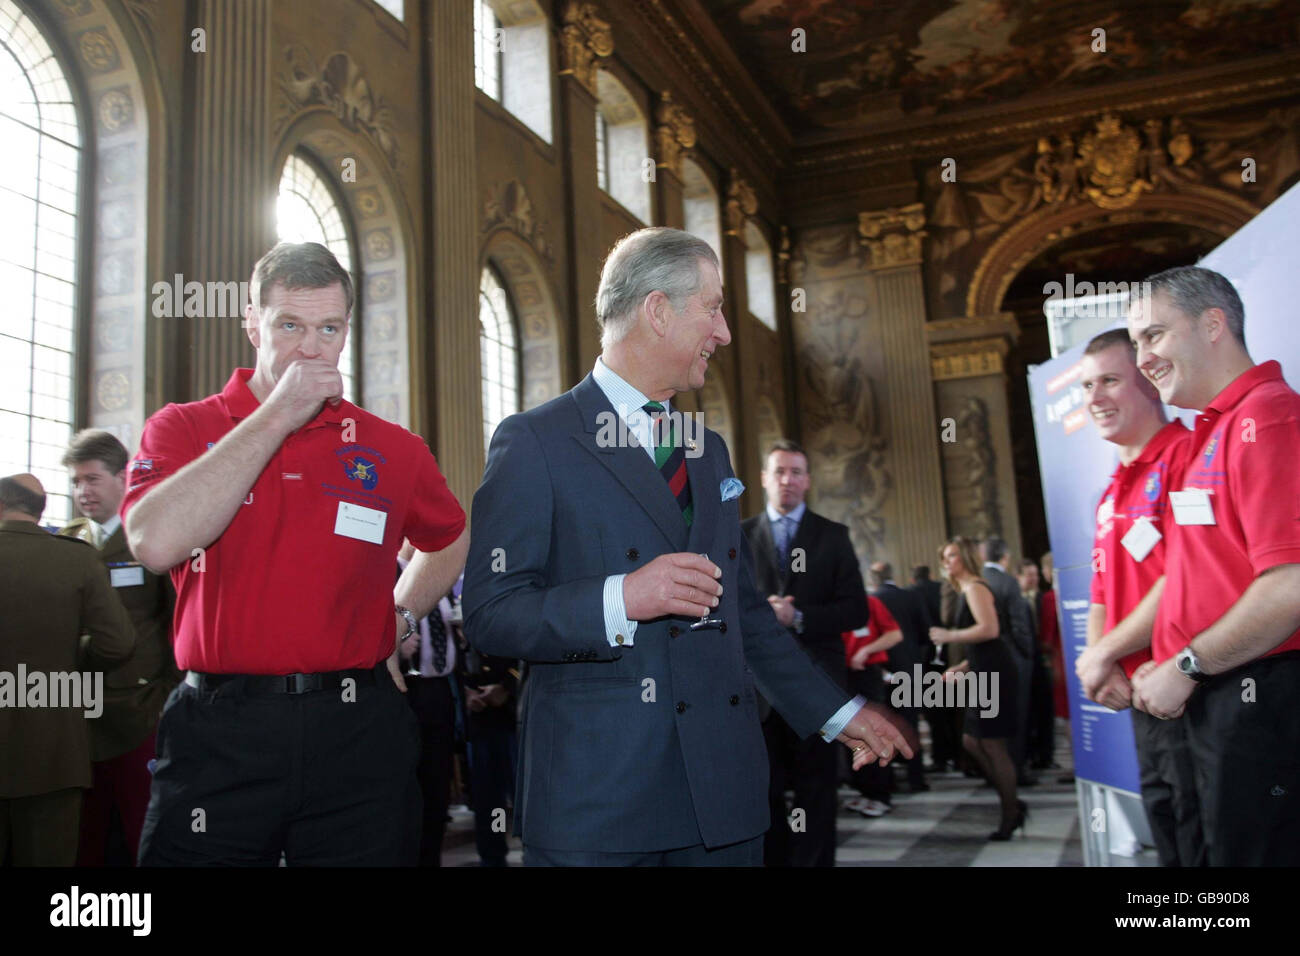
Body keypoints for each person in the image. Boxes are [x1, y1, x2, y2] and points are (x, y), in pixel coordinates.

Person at [462, 227, 910, 867]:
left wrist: (836, 714)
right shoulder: (536, 441)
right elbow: (490, 614)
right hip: (600, 804)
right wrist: (622, 598)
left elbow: (745, 615)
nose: (724, 332)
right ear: (657, 309)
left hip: (721, 800)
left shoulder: (708, 449)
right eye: (713, 307)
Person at [122, 241, 469, 866]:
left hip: (356, 725)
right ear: (252, 323)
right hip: (221, 728)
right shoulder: (184, 427)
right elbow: (155, 542)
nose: (310, 347)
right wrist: (277, 415)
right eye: (289, 325)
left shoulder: (392, 447)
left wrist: (401, 615)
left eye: (328, 328)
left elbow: (449, 538)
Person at [1089, 266, 1300, 865]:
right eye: (1136, 342)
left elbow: (1291, 586)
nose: (1144, 358)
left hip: (1258, 692)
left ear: (1214, 325)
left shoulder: (1269, 416)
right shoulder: (1221, 429)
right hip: (1216, 695)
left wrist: (1185, 663)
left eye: (1153, 336)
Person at [1072, 328, 1203, 866]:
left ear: (1150, 382)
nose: (1094, 398)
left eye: (1109, 380)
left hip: (1191, 687)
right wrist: (1096, 662)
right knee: (1167, 825)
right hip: (1138, 697)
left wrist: (1102, 655)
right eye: (1085, 386)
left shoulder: (1187, 456)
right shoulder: (1112, 487)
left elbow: (1187, 574)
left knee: (1203, 839)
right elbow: (1101, 590)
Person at [741, 439, 869, 866]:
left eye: (796, 472)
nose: (787, 480)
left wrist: (797, 617)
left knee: (817, 787)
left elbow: (856, 609)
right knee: (764, 789)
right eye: (779, 471)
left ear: (808, 481)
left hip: (819, 685)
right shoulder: (739, 535)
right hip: (758, 689)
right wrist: (766, 614)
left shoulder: (834, 536)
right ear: (763, 478)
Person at [58, 429, 181, 866]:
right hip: (76, 709)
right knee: (80, 831)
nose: (81, 492)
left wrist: (168, 693)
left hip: (138, 706)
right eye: (75, 482)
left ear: (122, 477)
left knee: (141, 825)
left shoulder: (145, 538)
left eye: (91, 479)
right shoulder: (67, 541)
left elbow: (174, 618)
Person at [0, 474, 133, 865]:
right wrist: (72, 661)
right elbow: (118, 643)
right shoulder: (76, 558)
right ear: (40, 512)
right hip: (53, 748)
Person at [930, 536, 1024, 839]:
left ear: (967, 558)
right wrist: (962, 667)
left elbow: (990, 630)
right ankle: (1010, 800)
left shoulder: (976, 587)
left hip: (994, 673)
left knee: (992, 744)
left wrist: (949, 636)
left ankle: (1011, 811)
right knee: (972, 742)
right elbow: (985, 643)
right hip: (983, 670)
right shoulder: (967, 590)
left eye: (953, 556)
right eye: (945, 557)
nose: (947, 562)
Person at [396, 543, 459, 867]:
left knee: (437, 788)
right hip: (406, 692)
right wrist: (394, 645)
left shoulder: (441, 578)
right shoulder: (389, 574)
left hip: (441, 692)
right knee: (408, 788)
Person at [868, 561, 931, 792]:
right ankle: (916, 778)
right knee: (910, 724)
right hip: (910, 668)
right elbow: (926, 634)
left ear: (873, 578)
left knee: (884, 726)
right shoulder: (911, 596)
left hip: (881, 670)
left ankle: (890, 781)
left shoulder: (872, 600)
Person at [842, 592, 903, 816]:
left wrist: (867, 650)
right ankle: (865, 791)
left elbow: (894, 634)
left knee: (873, 732)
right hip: (843, 674)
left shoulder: (870, 602)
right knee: (850, 734)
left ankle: (881, 794)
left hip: (866, 674)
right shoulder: (836, 605)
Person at [980, 536, 1035, 785]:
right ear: (1005, 557)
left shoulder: (976, 582)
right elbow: (1019, 625)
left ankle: (993, 773)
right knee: (1015, 718)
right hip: (1011, 659)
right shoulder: (1008, 582)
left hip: (982, 661)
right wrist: (1027, 653)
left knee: (990, 720)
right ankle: (1016, 773)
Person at [911, 564, 960, 773]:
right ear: (930, 574)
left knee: (935, 712)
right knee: (956, 709)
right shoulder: (945, 588)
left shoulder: (911, 593)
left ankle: (940, 758)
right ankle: (960, 757)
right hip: (950, 654)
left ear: (913, 579)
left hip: (926, 658)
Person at [1017, 558, 1056, 771]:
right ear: (1019, 577)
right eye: (1029, 575)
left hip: (1043, 661)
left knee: (1045, 709)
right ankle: (1031, 753)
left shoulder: (1043, 599)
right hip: (1024, 662)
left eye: (1035, 575)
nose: (1034, 579)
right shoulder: (1014, 600)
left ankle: (1046, 754)